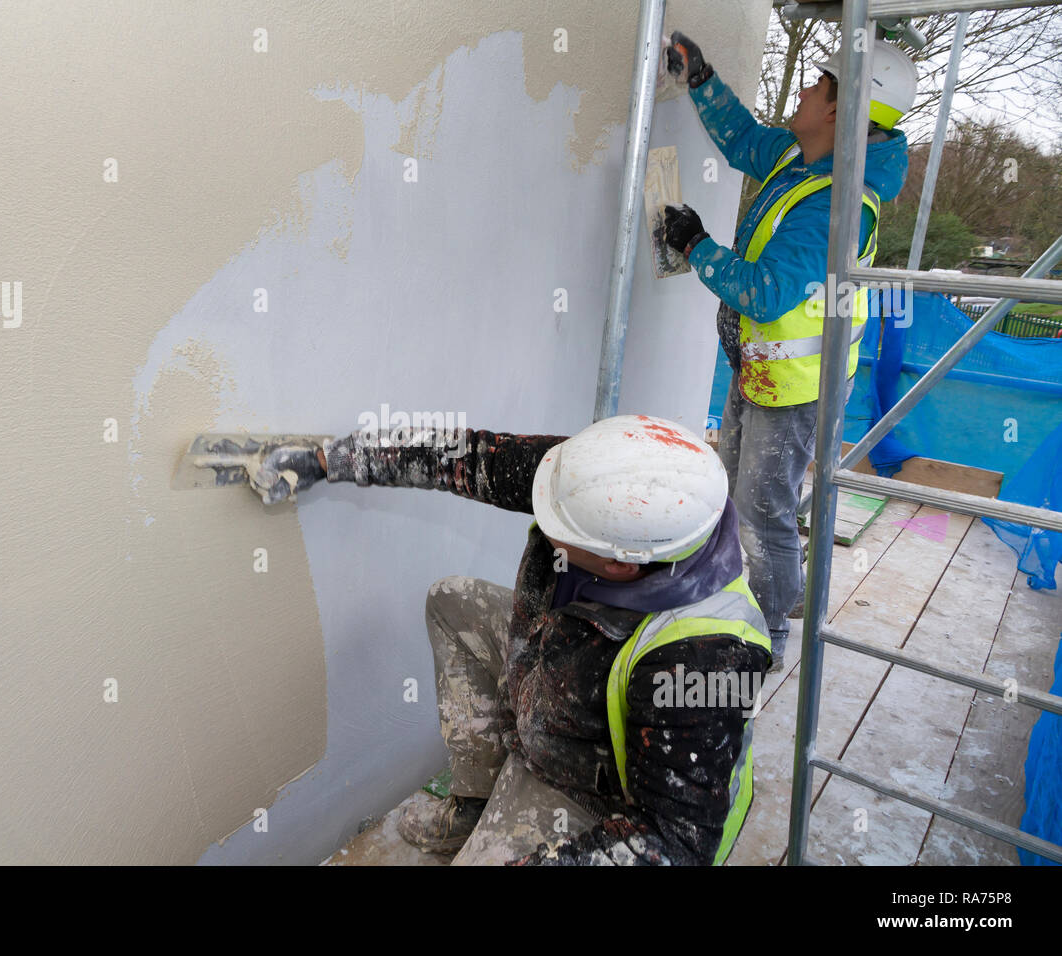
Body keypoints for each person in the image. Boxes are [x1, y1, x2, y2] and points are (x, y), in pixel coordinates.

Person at [248, 416, 770, 865]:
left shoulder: (703, 661)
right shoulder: (599, 485)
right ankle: (475, 803)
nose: (540, 514)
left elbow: (672, 845)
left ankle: (514, 803)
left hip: (594, 796)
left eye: (555, 525)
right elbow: (464, 456)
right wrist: (328, 459)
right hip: (551, 679)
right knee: (453, 602)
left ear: (620, 564)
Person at [657, 31, 915, 669]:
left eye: (815, 83)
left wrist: (696, 245)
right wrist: (701, 78)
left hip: (797, 387)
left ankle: (766, 636)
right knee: (740, 495)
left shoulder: (836, 204)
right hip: (763, 369)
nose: (801, 89)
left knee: (762, 510)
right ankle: (758, 598)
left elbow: (766, 293)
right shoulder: (801, 161)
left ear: (837, 107)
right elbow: (744, 139)